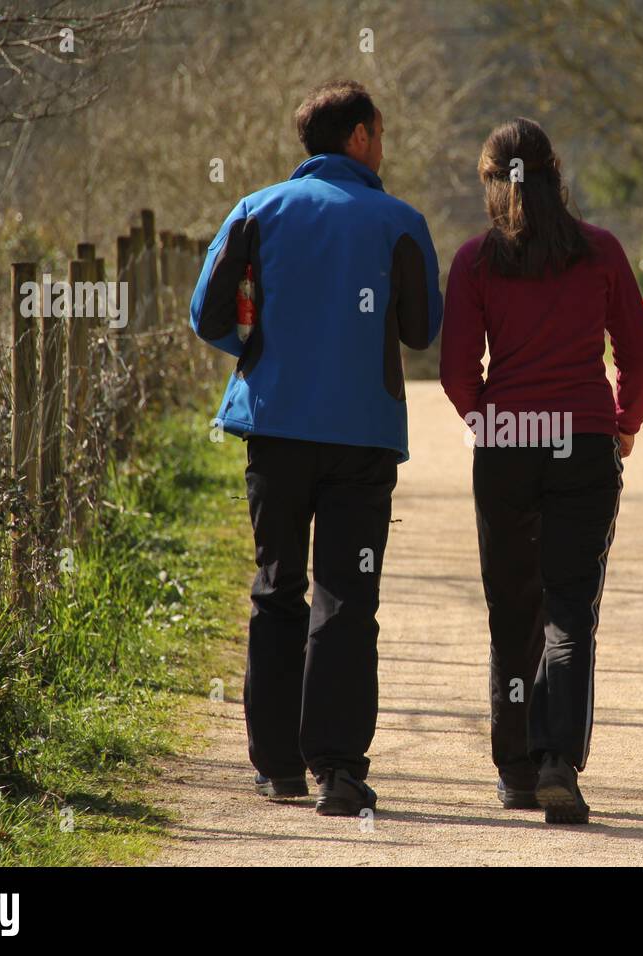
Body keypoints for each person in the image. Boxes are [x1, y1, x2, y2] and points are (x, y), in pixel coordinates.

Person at [190, 80, 442, 817]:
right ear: (360, 137)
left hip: (275, 429)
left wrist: (258, 349)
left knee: (276, 586)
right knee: (347, 595)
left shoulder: (255, 210)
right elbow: (421, 331)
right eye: (382, 134)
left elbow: (206, 314)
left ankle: (275, 767)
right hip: (361, 437)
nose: (384, 147)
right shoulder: (399, 221)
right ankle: (336, 768)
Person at [440, 118, 643, 824]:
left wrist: (490, 421)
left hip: (508, 443)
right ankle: (558, 757)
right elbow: (637, 351)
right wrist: (623, 423)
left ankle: (515, 770)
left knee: (512, 611)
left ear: (493, 184)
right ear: (556, 174)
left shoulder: (476, 260)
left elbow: (455, 370)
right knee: (569, 608)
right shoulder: (600, 251)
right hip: (583, 443)